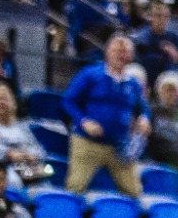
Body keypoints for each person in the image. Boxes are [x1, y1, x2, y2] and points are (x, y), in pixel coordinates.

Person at [61, 33, 151, 195]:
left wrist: (144, 119)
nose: (121, 55)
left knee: (134, 192)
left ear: (130, 56)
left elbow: (143, 108)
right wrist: (84, 121)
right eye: (117, 50)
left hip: (119, 146)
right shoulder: (90, 74)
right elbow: (68, 101)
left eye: (125, 51)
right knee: (74, 188)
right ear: (107, 52)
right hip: (87, 142)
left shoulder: (133, 84)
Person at [0, 82, 48, 187]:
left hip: (23, 168)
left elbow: (39, 150)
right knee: (13, 180)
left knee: (47, 172)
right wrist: (9, 154)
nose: (3, 102)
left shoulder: (21, 126)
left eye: (6, 98)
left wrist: (31, 155)